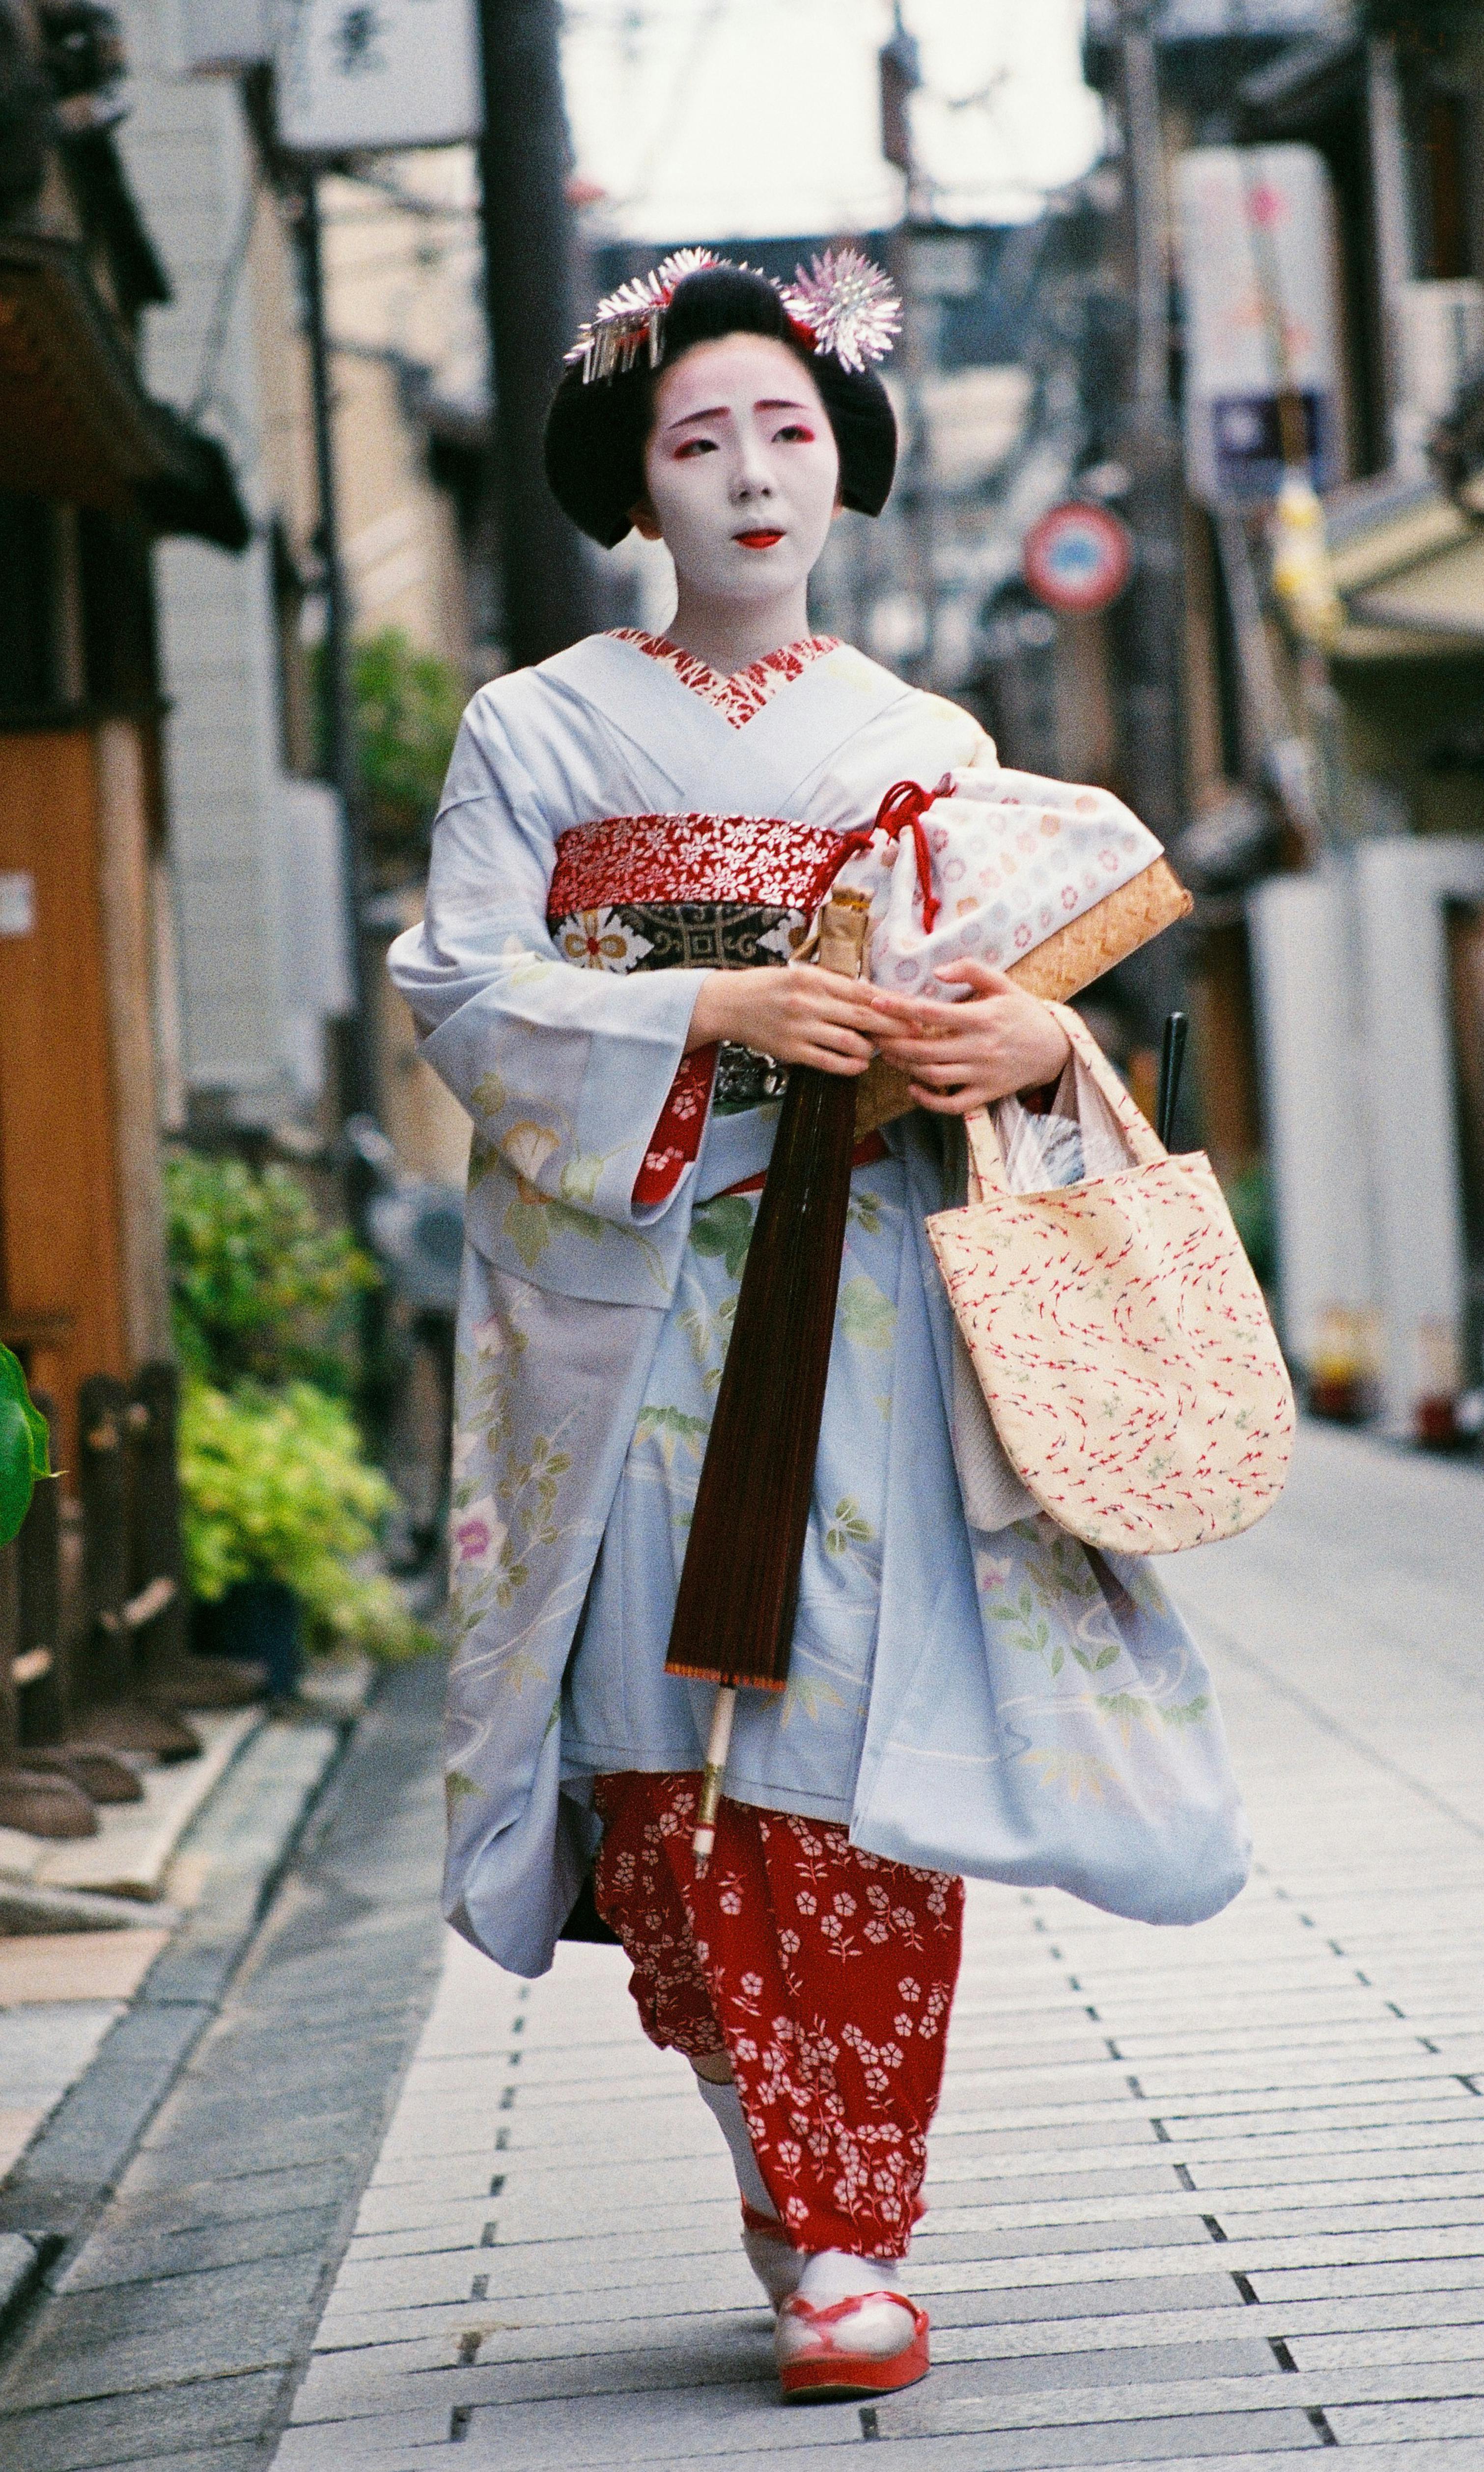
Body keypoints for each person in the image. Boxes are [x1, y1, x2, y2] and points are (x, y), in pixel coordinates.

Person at [388, 251, 1249, 2405]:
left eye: (786, 430)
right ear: (639, 487)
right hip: (648, 1310)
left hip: (865, 1301)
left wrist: (1028, 1042)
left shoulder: (924, 742)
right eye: (700, 440)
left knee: (844, 1757)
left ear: (844, 464)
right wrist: (710, 1005)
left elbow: (1019, 985)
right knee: (669, 1765)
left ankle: (853, 2219)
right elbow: (466, 994)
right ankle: (793, 2185)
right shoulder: (541, 727)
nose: (751, 474)